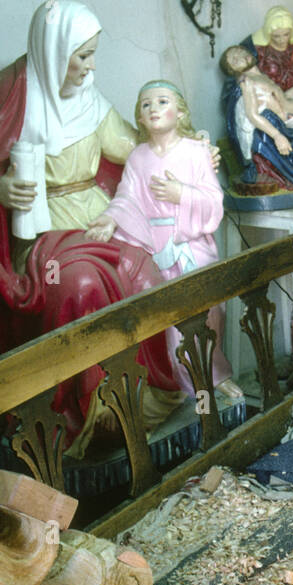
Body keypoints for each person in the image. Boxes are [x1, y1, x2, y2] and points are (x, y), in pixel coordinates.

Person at [0, 0, 186, 457]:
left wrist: (178, 143)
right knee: (80, 286)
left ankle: (143, 398)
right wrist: (2, 190)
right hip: (43, 238)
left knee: (144, 272)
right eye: (81, 55)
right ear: (52, 49)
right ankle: (89, 413)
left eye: (92, 54)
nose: (89, 67)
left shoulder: (89, 100)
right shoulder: (11, 96)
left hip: (97, 223)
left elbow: (130, 146)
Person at [85, 81, 240, 398]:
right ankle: (180, 387)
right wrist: (109, 218)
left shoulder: (196, 151)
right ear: (139, 119)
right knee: (169, 321)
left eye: (162, 101)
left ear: (180, 111)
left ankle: (215, 375)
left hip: (192, 243)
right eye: (145, 104)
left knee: (208, 310)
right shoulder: (139, 158)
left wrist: (181, 193)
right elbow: (126, 198)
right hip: (153, 244)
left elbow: (213, 200)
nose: (153, 108)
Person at [220, 7, 293, 191]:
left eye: (286, 35)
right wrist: (277, 136)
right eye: (233, 59)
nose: (283, 40)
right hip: (281, 120)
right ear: (233, 70)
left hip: (288, 105)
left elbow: (292, 81)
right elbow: (251, 114)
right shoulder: (247, 80)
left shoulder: (263, 71)